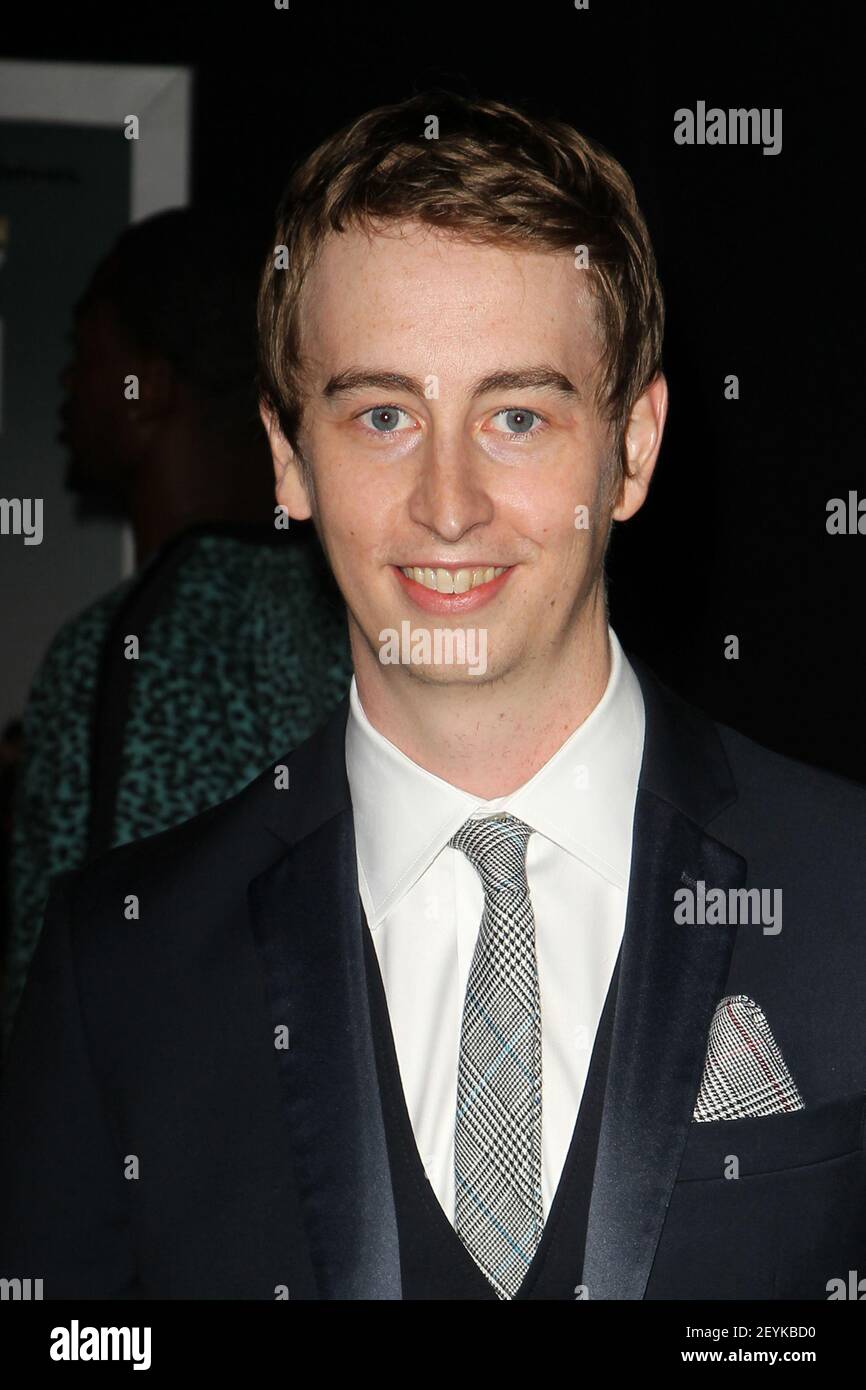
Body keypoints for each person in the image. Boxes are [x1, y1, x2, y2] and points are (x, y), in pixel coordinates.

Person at [1, 91, 864, 1300]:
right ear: (290, 457)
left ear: (632, 447)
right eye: (383, 415)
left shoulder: (846, 896)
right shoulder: (122, 969)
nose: (447, 504)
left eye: (516, 415)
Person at [1, 208, 352, 1051]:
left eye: (84, 356)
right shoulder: (362, 615)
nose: (62, 388)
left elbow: (57, 1008)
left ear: (148, 390)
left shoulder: (118, 651)